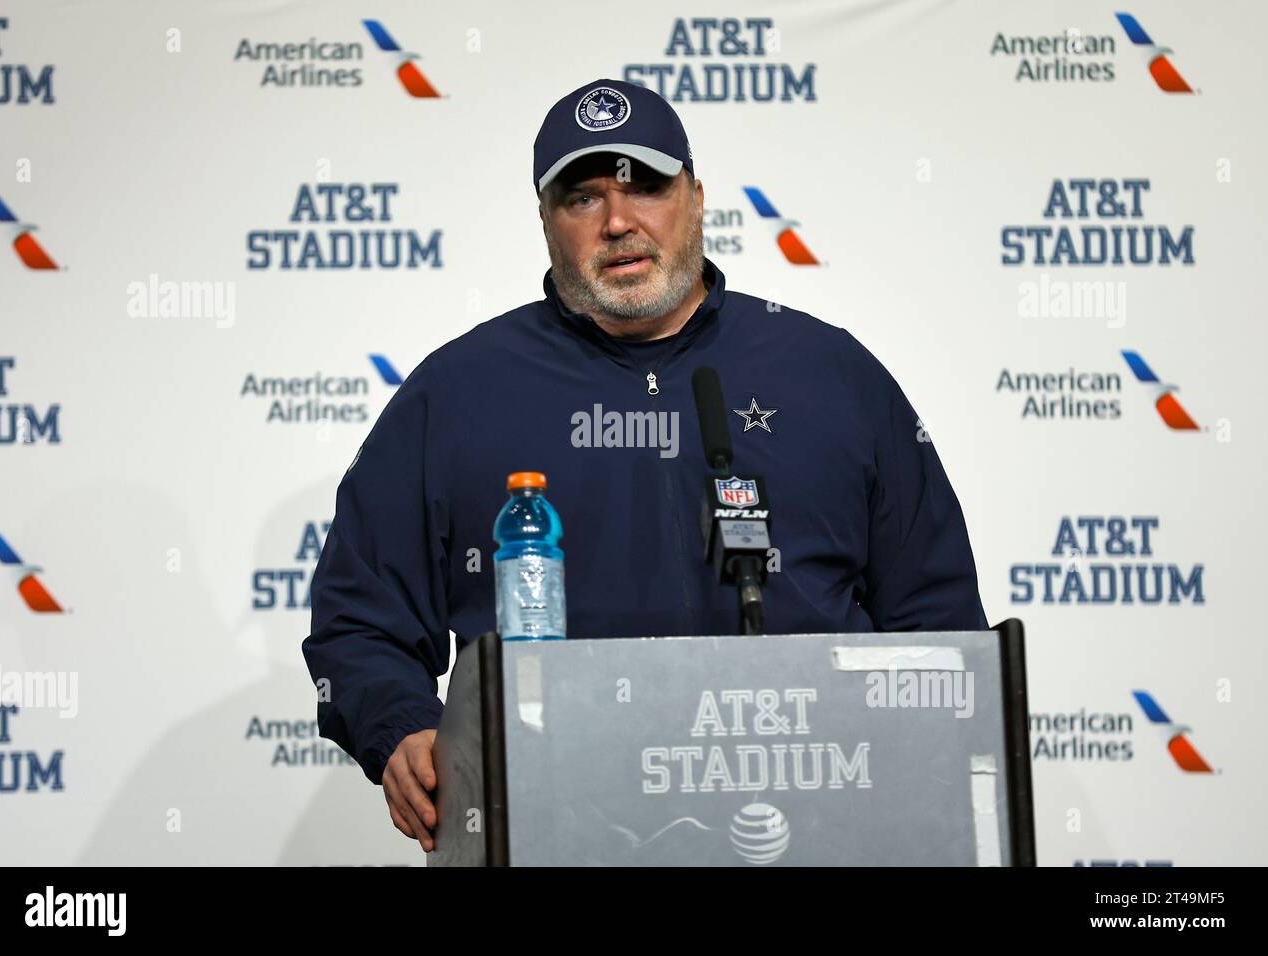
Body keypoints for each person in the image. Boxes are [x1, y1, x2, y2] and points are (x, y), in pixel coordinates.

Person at [302, 78, 988, 852]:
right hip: (552, 830)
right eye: (581, 198)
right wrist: (402, 730)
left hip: (820, 829)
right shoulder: (459, 392)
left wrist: (928, 785)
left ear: (697, 196)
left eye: (647, 186)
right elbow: (361, 618)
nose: (619, 221)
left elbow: (937, 623)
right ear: (544, 221)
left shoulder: (831, 375)